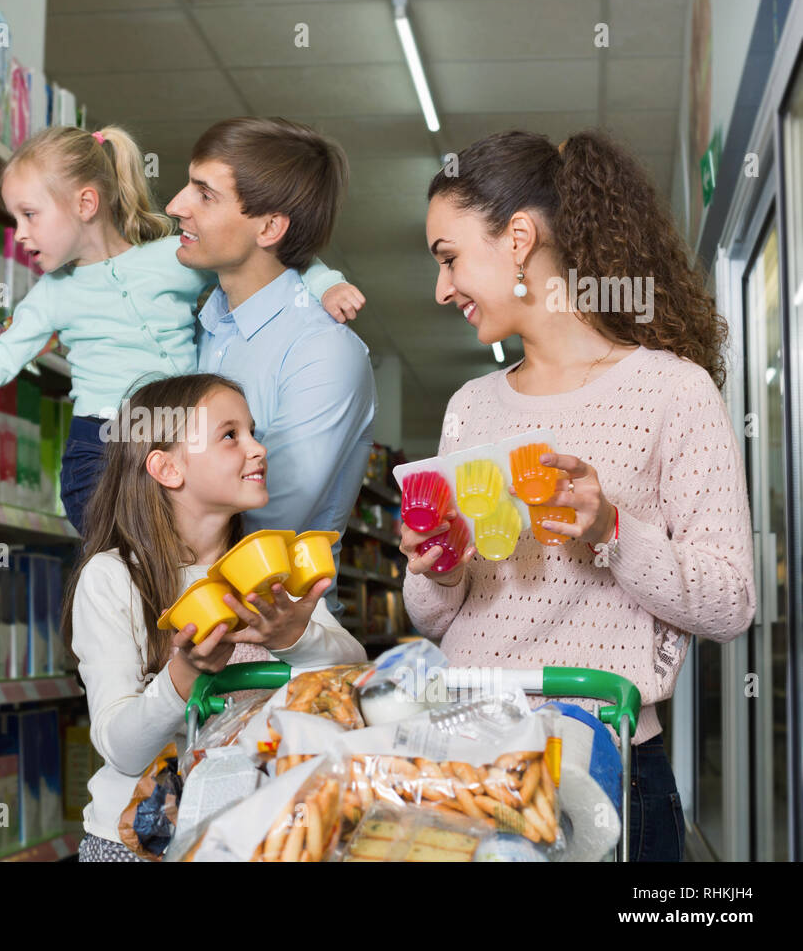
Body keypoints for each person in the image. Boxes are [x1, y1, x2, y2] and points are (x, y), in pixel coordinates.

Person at [404, 128, 756, 862]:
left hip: (609, 771)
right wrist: (437, 567)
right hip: (467, 758)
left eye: (449, 258)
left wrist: (611, 529)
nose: (441, 289)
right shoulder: (470, 406)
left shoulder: (671, 391)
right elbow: (434, 617)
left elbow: (730, 603)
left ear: (520, 239)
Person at [0, 124, 364, 534]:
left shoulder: (174, 257)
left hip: (176, 442)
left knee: (175, 563)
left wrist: (327, 285)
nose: (19, 234)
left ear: (85, 203)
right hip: (101, 449)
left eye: (30, 215)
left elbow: (272, 256)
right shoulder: (49, 296)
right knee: (126, 572)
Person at [63, 373, 366, 861]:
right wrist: (183, 675)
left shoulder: (275, 563)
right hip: (139, 846)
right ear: (166, 468)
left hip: (258, 835)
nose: (257, 449)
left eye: (254, 433)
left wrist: (295, 636)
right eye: (231, 436)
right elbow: (120, 747)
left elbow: (353, 670)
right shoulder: (112, 577)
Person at [166, 117, 376, 616]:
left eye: (205, 195)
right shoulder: (200, 328)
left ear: (269, 227)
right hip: (181, 618)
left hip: (273, 645)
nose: (176, 206)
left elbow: (265, 517)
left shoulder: (325, 350)